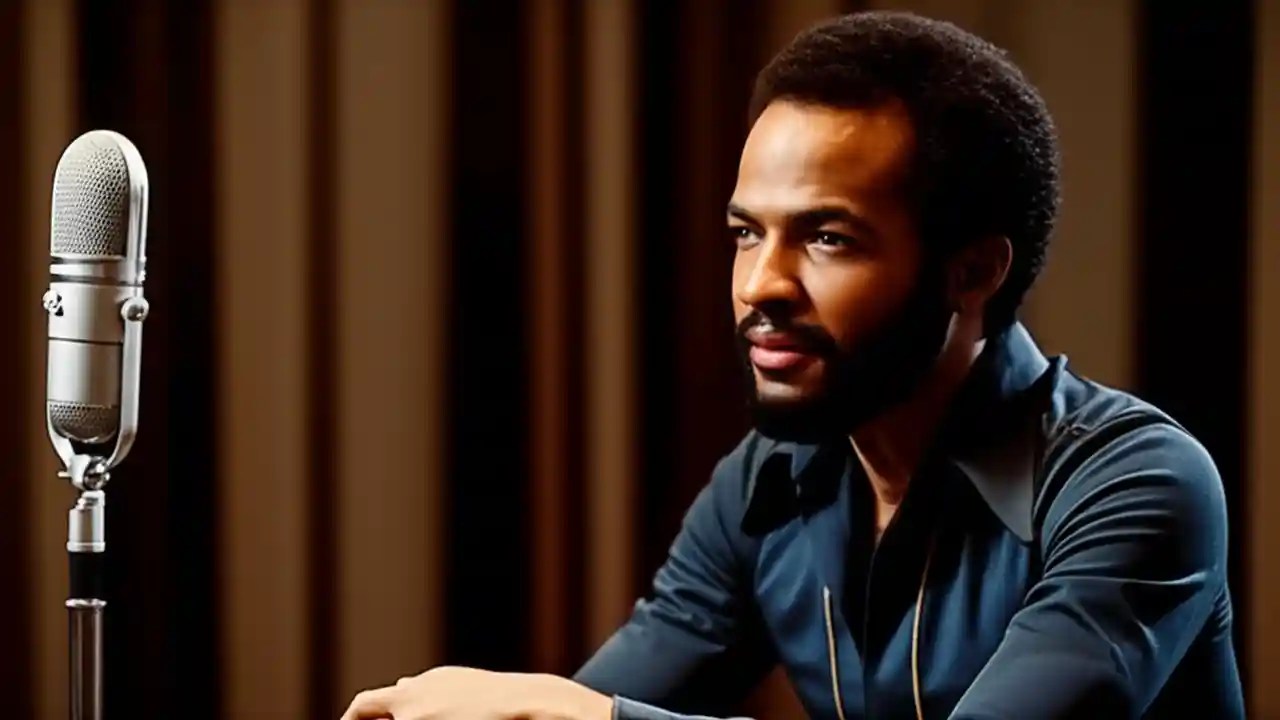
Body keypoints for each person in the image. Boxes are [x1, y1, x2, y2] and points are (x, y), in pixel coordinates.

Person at [340, 11, 1245, 720]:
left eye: (827, 238)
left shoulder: (1138, 483)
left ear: (973, 271)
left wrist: (586, 716)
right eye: (747, 233)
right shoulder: (769, 483)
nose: (760, 285)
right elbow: (609, 694)